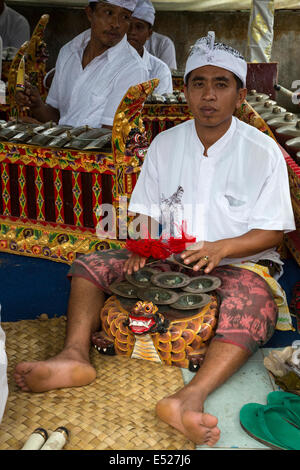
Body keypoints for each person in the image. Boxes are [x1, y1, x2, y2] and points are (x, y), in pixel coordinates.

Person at [14, 31, 296, 447]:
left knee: (254, 303)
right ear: (185, 91)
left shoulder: (262, 150)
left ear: (239, 95)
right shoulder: (166, 144)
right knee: (91, 264)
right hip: (173, 256)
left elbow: (273, 230)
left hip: (239, 262)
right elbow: (145, 212)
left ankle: (189, 396)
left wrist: (221, 248)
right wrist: (140, 246)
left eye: (222, 84)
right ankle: (73, 356)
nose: (209, 95)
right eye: (199, 82)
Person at [15, 0, 148, 129]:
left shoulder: (133, 68)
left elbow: (111, 137)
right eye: (108, 12)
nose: (116, 24)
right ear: (90, 13)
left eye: (125, 17)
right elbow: (59, 116)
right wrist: (37, 105)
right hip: (59, 148)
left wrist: (47, 133)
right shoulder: (69, 52)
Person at [128, 0, 172, 95]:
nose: (132, 32)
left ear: (149, 34)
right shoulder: (104, 61)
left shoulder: (160, 70)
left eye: (139, 27)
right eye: (128, 26)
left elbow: (160, 108)